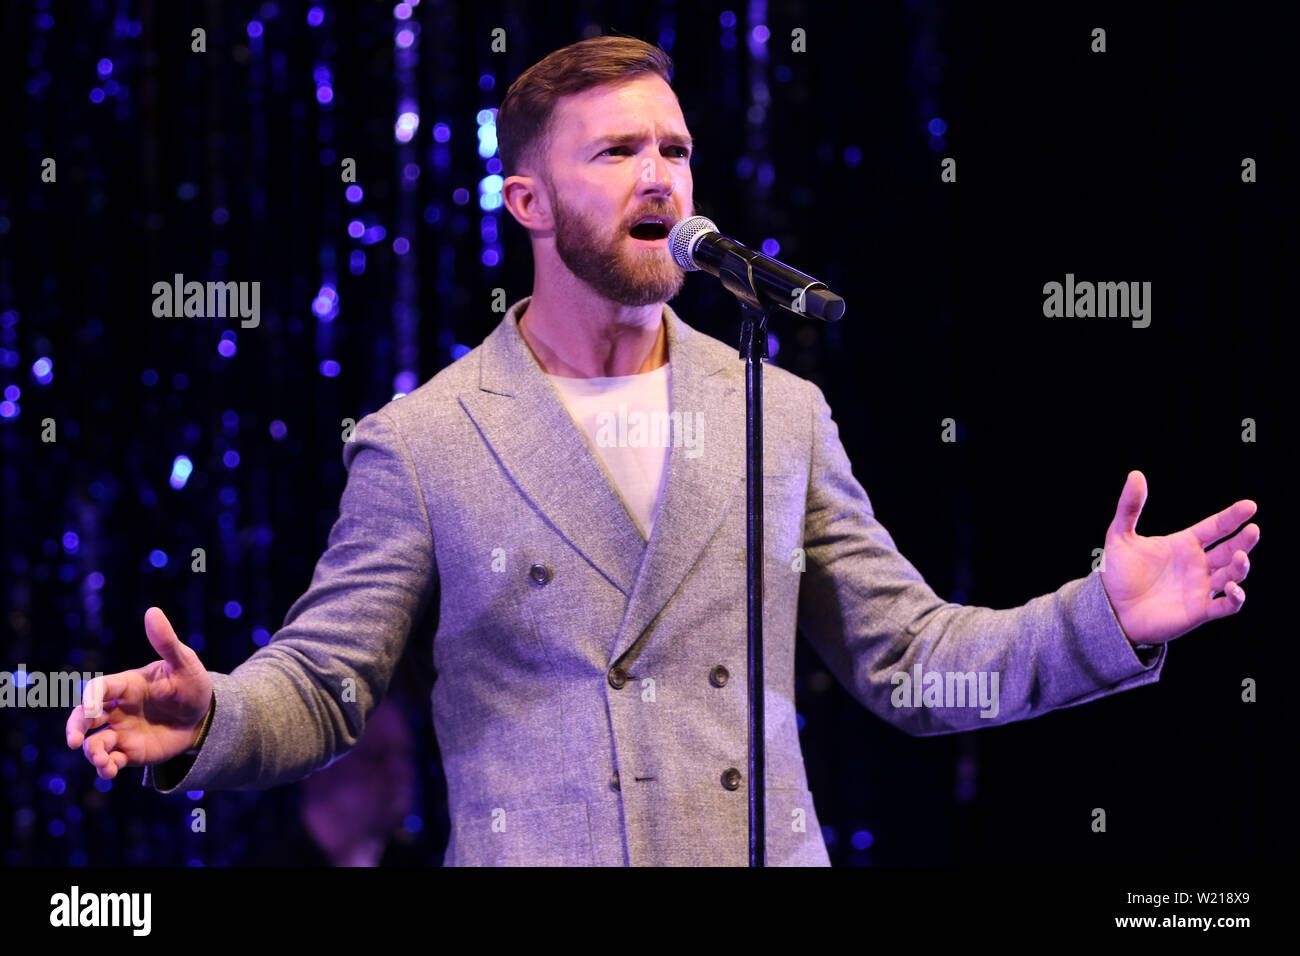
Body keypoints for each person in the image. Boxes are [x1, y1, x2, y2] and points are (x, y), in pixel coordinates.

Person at [66, 36, 1260, 866]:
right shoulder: (426, 440)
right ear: (527, 202)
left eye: (674, 151)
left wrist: (1098, 616)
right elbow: (323, 688)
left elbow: (909, 661)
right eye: (616, 153)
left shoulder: (776, 409)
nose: (659, 176)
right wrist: (214, 716)